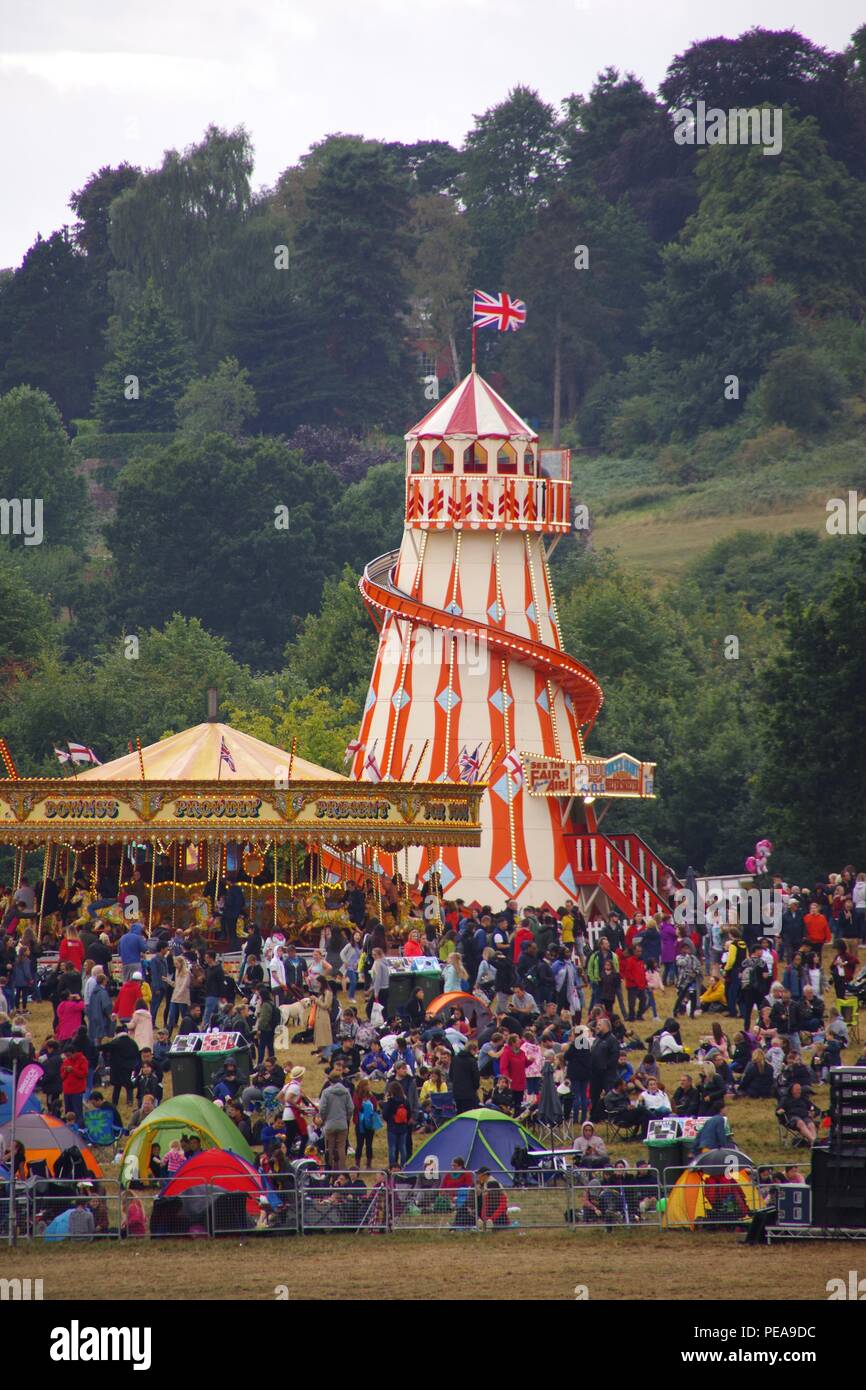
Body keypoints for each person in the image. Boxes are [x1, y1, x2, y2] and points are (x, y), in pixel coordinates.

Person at [318, 1071, 353, 1170]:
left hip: (330, 1123)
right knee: (341, 1147)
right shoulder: (346, 1091)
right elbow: (351, 1107)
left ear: (330, 1080)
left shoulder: (326, 1092)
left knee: (330, 1147)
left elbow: (322, 1108)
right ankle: (341, 1170)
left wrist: (324, 1119)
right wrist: (347, 1118)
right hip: (342, 1124)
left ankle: (330, 1170)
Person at [383, 1081, 412, 1167]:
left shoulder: (390, 1101)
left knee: (392, 1148)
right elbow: (409, 1113)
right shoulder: (405, 1100)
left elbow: (385, 1115)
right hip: (403, 1127)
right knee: (403, 1148)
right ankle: (403, 1166)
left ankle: (392, 1166)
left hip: (392, 1127)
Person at [450, 1039, 481, 1113]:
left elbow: (451, 1075)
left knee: (460, 1114)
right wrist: (475, 1088)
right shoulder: (472, 1061)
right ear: (473, 1050)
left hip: (457, 1093)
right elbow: (476, 1078)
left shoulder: (455, 1059)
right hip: (469, 1094)